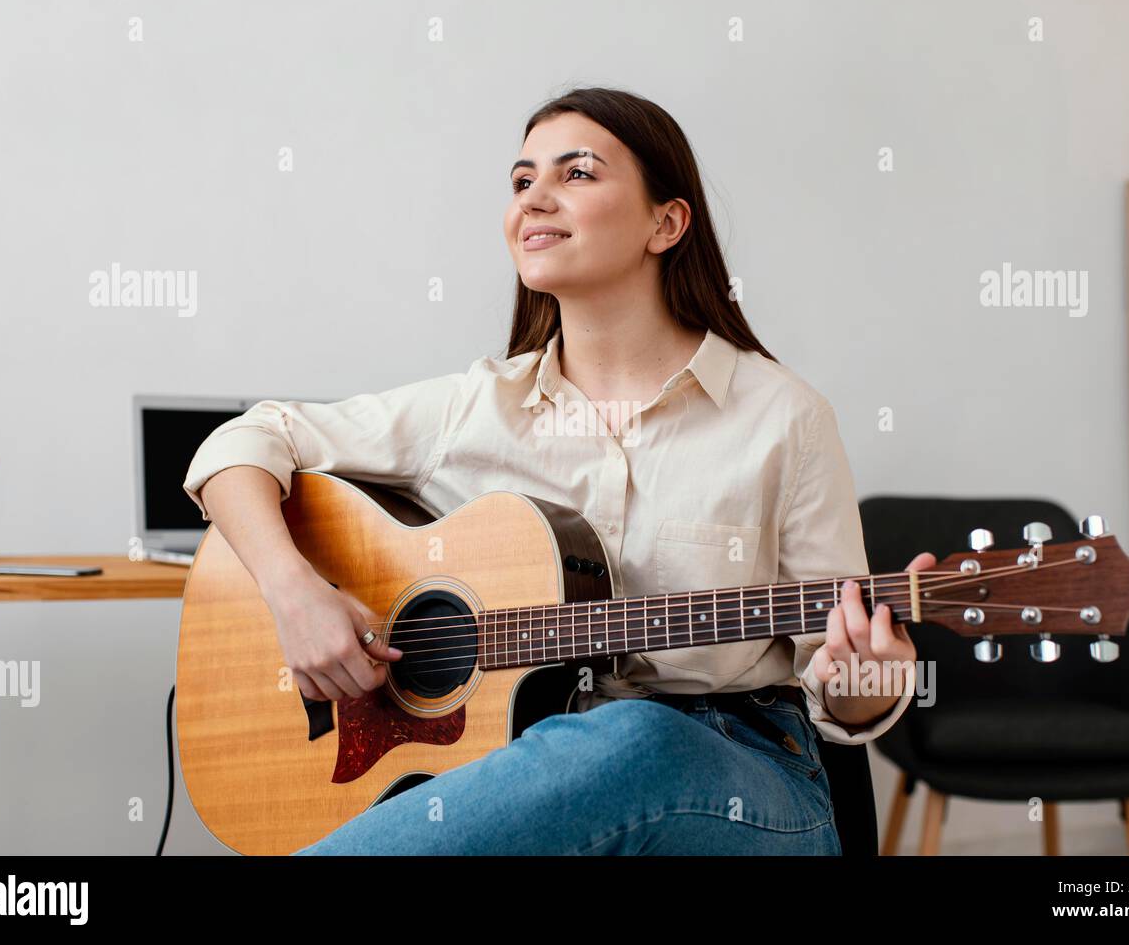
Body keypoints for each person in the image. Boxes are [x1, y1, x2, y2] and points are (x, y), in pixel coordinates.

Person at [182, 86, 928, 855]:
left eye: (576, 174)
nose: (535, 198)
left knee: (638, 735)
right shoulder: (474, 409)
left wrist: (863, 678)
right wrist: (294, 592)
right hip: (523, 770)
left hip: (746, 774)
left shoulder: (783, 418)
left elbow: (842, 696)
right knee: (599, 745)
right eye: (520, 180)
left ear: (665, 223)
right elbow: (242, 442)